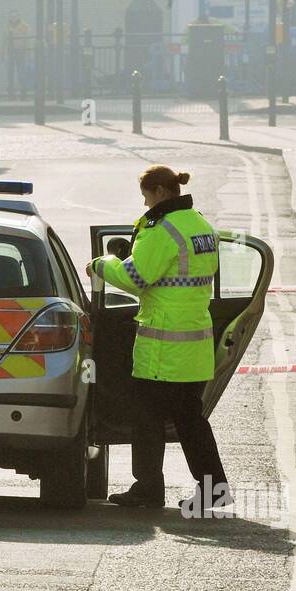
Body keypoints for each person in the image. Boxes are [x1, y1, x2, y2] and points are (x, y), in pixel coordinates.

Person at [86, 165, 230, 517]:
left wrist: (103, 264)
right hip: (194, 344)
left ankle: (149, 488)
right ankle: (213, 491)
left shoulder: (163, 229)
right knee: (190, 422)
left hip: (163, 346)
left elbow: (137, 277)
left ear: (161, 192)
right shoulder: (200, 225)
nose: (145, 202)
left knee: (147, 419)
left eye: (146, 196)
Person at [2, 10, 30, 100]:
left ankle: (23, 94)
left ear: (19, 17)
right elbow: (4, 41)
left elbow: (28, 41)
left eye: (15, 16)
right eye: (12, 16)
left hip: (21, 52)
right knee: (10, 74)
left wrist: (28, 53)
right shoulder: (6, 27)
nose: (13, 18)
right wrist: (3, 53)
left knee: (21, 73)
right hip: (10, 51)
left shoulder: (25, 27)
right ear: (9, 17)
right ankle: (11, 95)